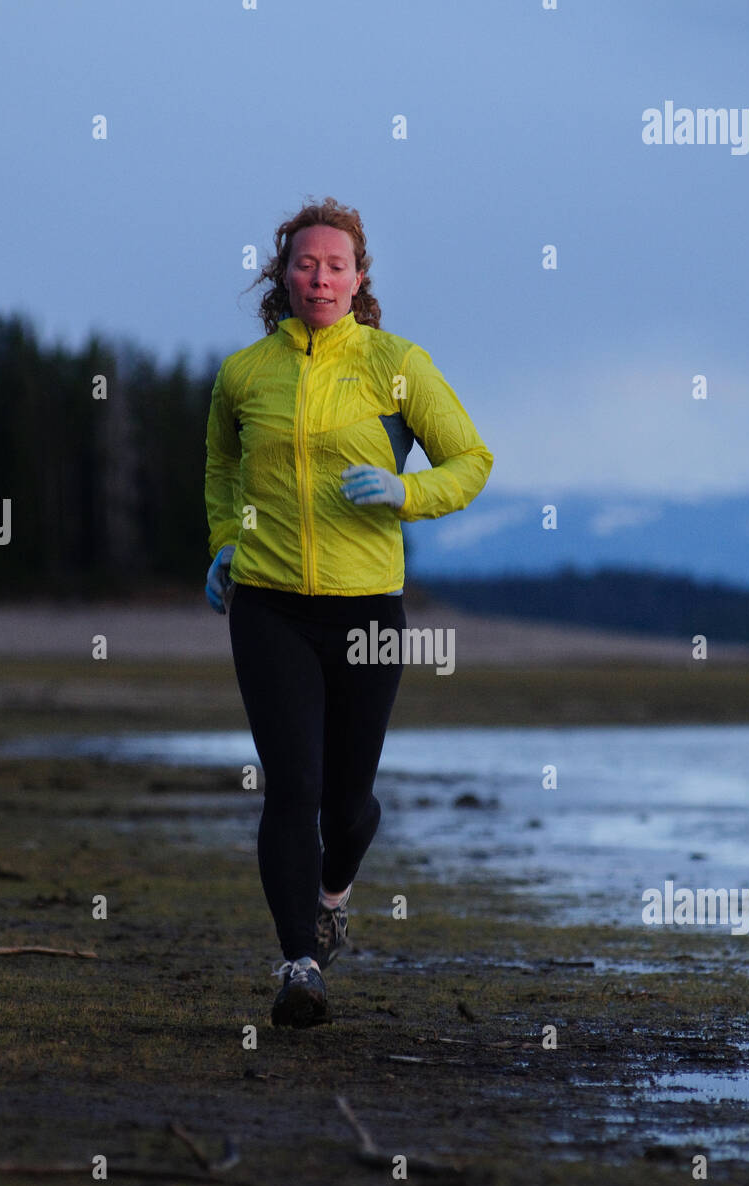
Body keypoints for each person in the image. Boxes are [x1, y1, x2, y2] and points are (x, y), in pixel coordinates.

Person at [203, 196, 492, 1028]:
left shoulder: (397, 364)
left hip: (367, 611)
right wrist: (225, 540)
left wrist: (406, 491)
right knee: (289, 787)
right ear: (280, 275)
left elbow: (471, 460)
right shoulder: (243, 374)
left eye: (336, 265)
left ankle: (332, 896)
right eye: (303, 262)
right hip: (269, 605)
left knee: (348, 805)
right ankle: (299, 965)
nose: (318, 276)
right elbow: (222, 465)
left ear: (359, 278)